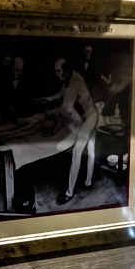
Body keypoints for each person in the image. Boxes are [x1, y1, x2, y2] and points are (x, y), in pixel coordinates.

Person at [42, 58, 98, 205]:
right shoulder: (70, 76)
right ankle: (88, 182)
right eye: (55, 71)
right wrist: (48, 98)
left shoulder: (74, 83)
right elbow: (60, 93)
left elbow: (65, 110)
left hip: (90, 118)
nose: (56, 74)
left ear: (65, 70)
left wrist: (54, 130)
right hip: (91, 114)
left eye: (58, 71)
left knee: (77, 152)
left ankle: (69, 192)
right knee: (91, 150)